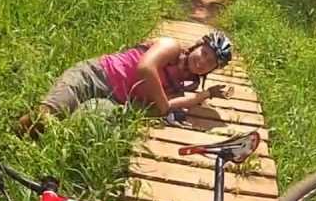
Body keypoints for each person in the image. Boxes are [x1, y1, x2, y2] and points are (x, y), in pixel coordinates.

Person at [17, 31, 235, 137]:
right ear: (197, 46)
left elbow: (172, 103)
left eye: (210, 63)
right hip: (95, 75)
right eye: (204, 53)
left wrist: (205, 95)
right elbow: (145, 68)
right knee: (44, 117)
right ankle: (8, 142)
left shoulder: (186, 83)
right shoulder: (171, 46)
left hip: (114, 100)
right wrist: (165, 106)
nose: (202, 61)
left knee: (72, 133)